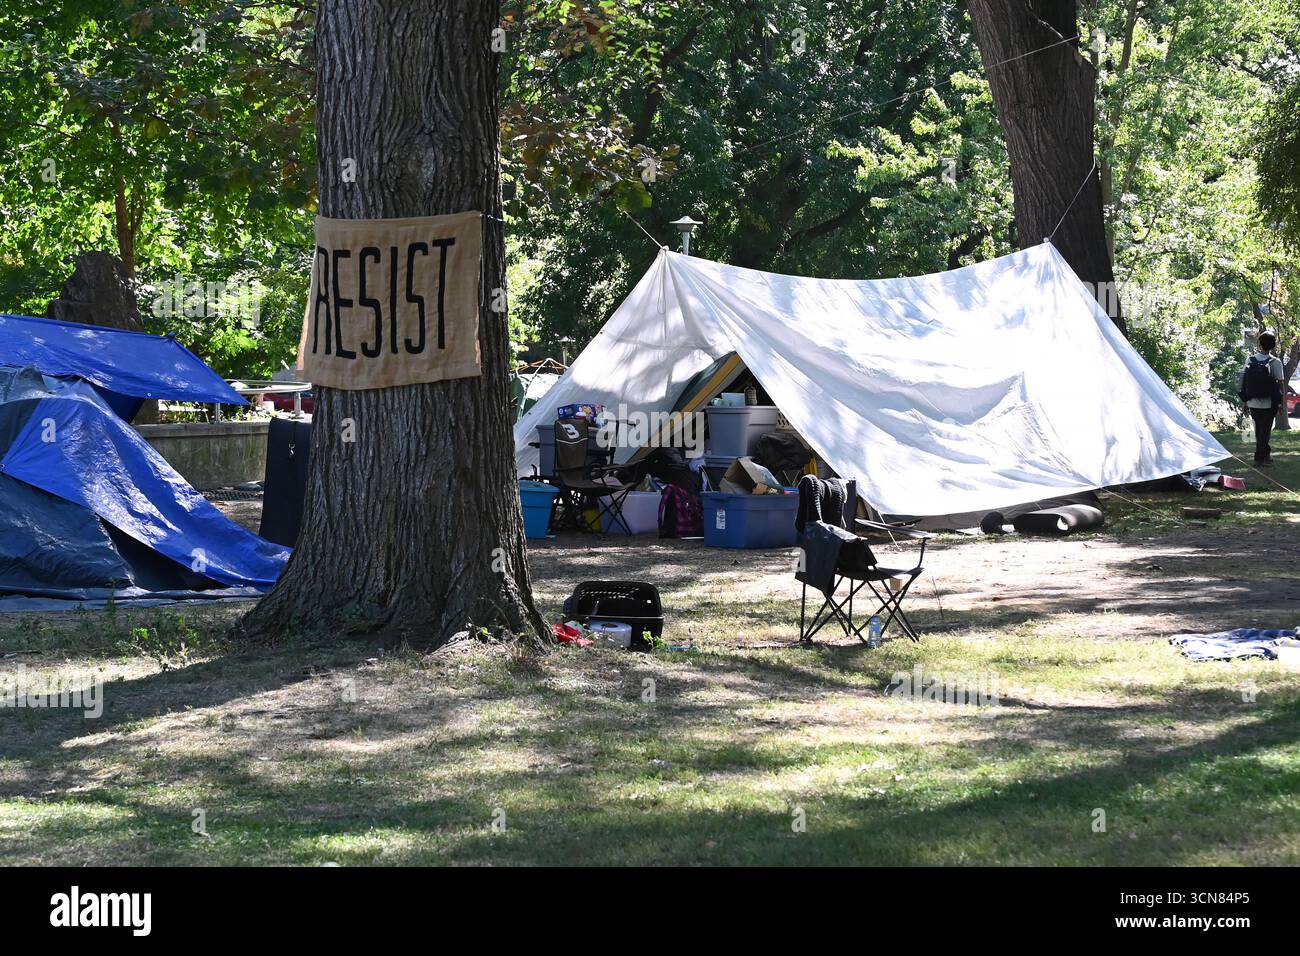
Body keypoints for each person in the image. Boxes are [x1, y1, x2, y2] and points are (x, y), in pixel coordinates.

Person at [1239, 331, 1285, 464]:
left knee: (1260, 431)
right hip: (1269, 403)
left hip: (1253, 402)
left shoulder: (1250, 359)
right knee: (1264, 432)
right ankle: (1260, 458)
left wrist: (1245, 402)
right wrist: (1281, 403)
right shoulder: (1275, 362)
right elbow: (1280, 384)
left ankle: (1265, 456)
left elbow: (1245, 382)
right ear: (1273, 345)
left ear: (1259, 343)